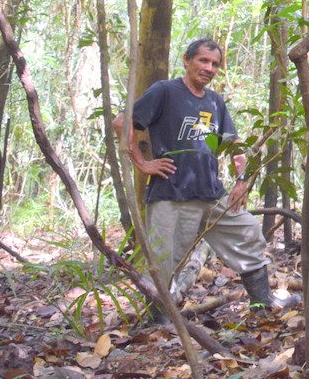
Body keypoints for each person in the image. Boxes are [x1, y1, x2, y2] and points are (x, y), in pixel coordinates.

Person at [121, 37, 295, 320]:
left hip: (211, 193)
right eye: (203, 60)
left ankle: (262, 301)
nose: (209, 68)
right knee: (164, 260)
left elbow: (234, 145)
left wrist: (242, 180)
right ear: (187, 61)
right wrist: (142, 163)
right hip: (171, 193)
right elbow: (123, 121)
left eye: (215, 64)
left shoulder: (215, 102)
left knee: (248, 230)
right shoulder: (165, 91)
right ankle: (158, 319)